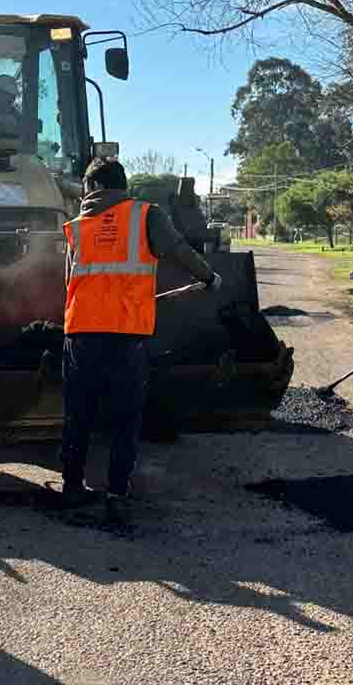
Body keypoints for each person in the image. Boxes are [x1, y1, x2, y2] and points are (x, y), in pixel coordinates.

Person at [59, 158, 222, 524]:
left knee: (78, 414)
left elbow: (70, 282)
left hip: (81, 333)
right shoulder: (145, 215)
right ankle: (117, 494)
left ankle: (71, 487)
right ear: (120, 186)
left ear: (93, 187)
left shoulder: (77, 227)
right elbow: (178, 251)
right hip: (126, 334)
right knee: (124, 416)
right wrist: (209, 277)